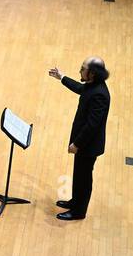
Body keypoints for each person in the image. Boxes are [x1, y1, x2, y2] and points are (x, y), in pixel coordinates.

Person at [47, 58, 112, 220]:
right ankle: (75, 201)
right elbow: (81, 88)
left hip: (88, 146)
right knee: (79, 175)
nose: (79, 71)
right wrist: (61, 77)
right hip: (84, 144)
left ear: (93, 73)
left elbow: (92, 125)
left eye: (83, 69)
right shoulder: (93, 86)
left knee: (84, 178)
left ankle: (78, 212)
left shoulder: (100, 95)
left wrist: (77, 143)